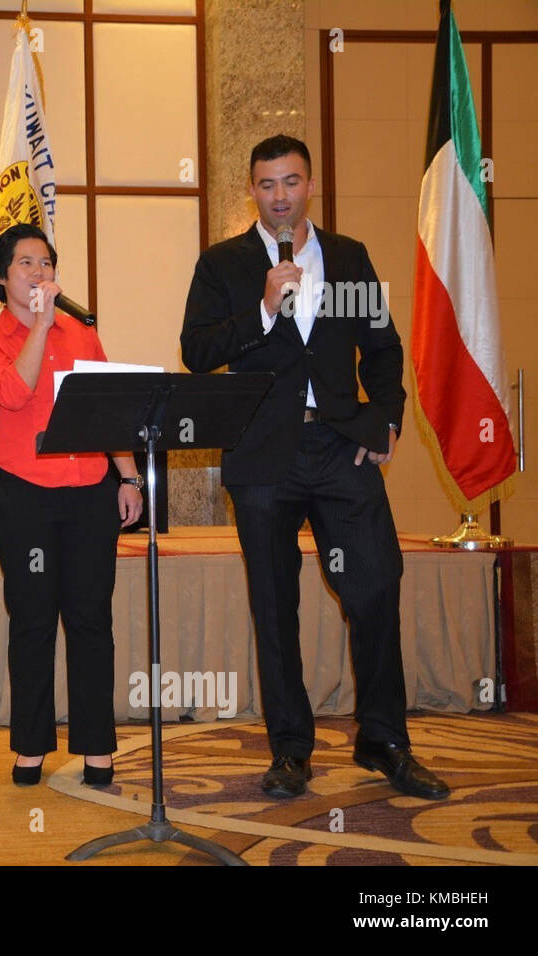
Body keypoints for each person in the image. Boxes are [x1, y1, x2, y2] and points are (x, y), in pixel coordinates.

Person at [180, 134, 448, 801]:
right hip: (263, 455)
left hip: (340, 448)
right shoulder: (224, 265)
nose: (279, 197)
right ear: (253, 190)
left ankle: (383, 740)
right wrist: (265, 307)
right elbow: (196, 351)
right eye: (267, 185)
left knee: (374, 590)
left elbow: (383, 351)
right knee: (275, 607)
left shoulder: (350, 258)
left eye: (291, 182)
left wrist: (383, 421)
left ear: (311, 185)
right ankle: (290, 751)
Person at [0, 223, 143, 787]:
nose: (39, 272)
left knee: (91, 619)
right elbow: (15, 393)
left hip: (90, 493)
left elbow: (109, 408)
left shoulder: (82, 334)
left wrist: (128, 475)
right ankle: (31, 746)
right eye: (25, 263)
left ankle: (96, 746)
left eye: (46, 262)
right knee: (34, 621)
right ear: (1, 277)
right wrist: (41, 328)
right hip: (25, 498)